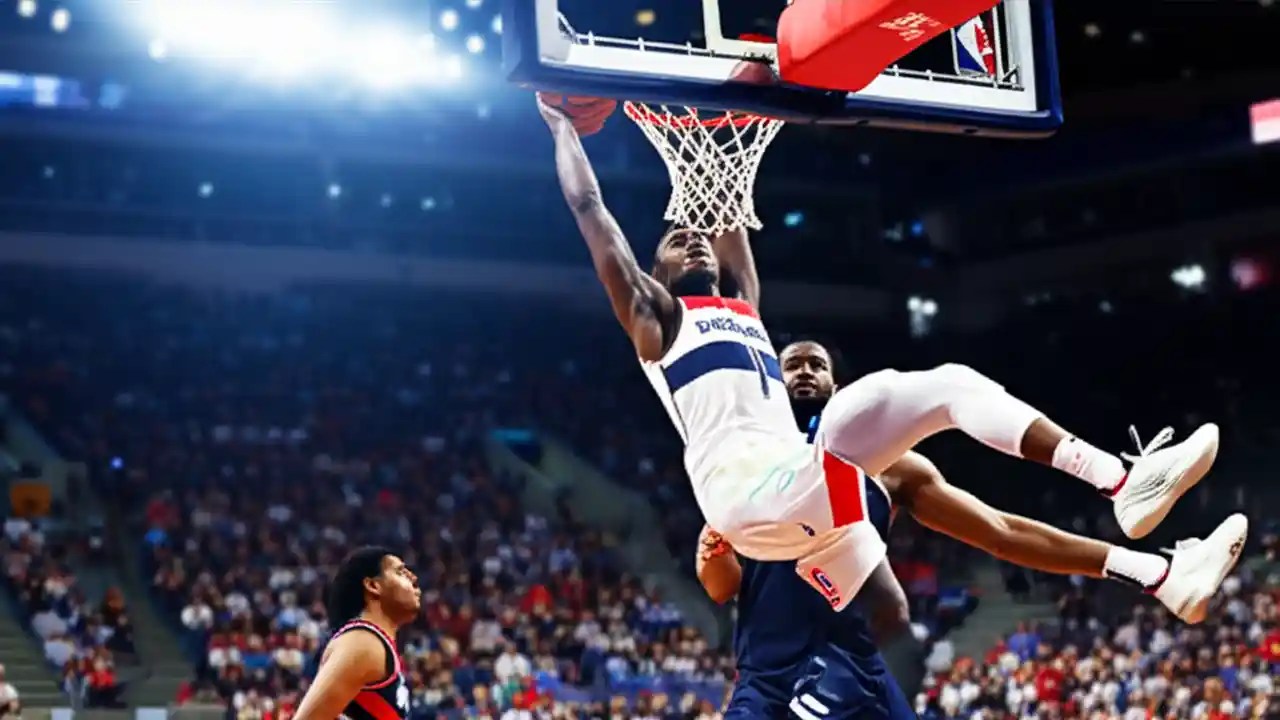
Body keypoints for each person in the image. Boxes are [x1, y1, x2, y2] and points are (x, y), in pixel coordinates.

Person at [538, 92, 1219, 610]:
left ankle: (1125, 490)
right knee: (874, 451)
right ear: (653, 271)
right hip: (744, 500)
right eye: (673, 240)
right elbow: (590, 211)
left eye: (697, 234)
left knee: (947, 382)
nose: (689, 238)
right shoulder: (657, 318)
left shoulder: (743, 304)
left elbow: (726, 204)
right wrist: (560, 123)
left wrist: (729, 108)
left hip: (804, 492)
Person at [698, 340, 1246, 719]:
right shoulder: (746, 469)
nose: (802, 371)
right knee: (943, 387)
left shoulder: (893, 468)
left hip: (858, 664)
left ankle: (1153, 560)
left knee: (952, 383)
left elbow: (1001, 533)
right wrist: (712, 556)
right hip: (777, 670)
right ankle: (1132, 504)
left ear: (837, 384)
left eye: (815, 363)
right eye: (790, 365)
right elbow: (724, 587)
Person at [294, 547, 421, 720]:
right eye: (400, 572)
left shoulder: (374, 644)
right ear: (373, 585)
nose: (413, 577)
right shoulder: (363, 642)